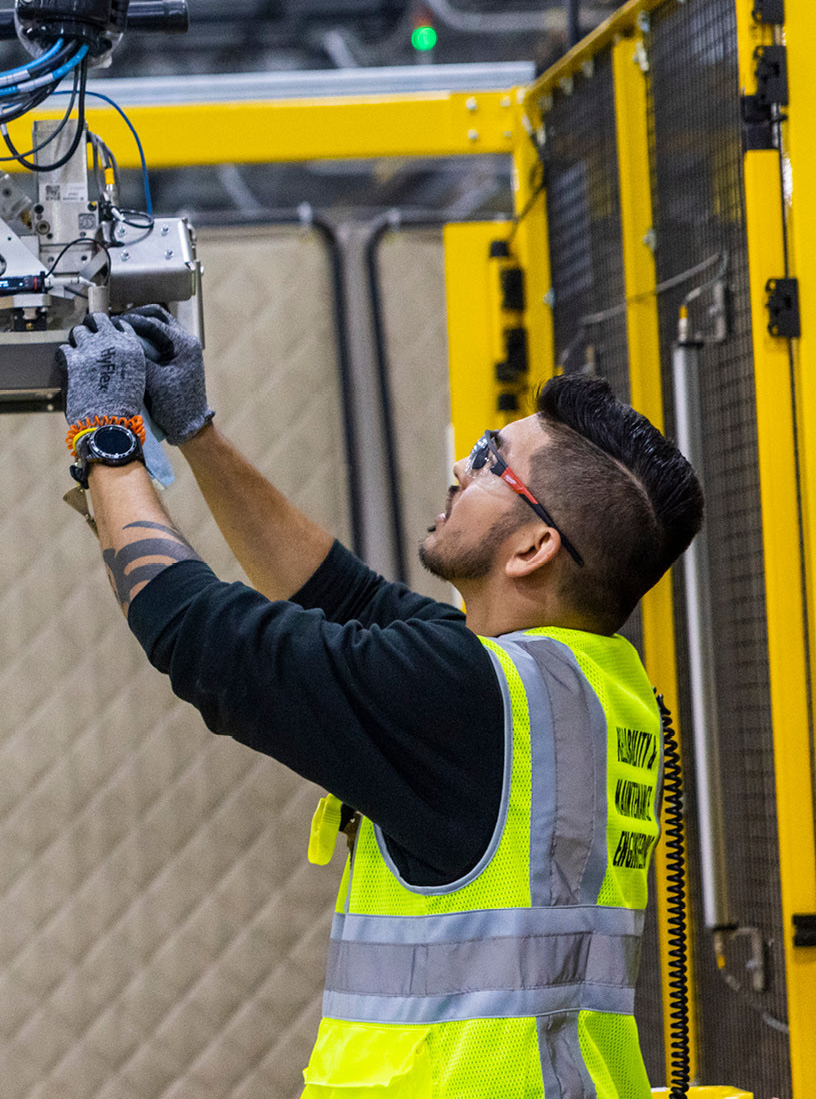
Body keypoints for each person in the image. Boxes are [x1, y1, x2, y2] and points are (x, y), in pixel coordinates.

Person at [59, 307, 704, 1099]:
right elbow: (339, 594)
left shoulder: (467, 696)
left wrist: (108, 448)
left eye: (488, 461)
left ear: (534, 547)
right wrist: (197, 434)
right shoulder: (596, 687)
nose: (462, 471)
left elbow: (206, 637)